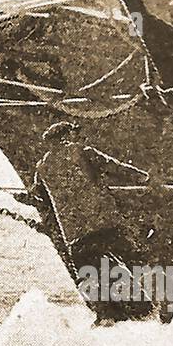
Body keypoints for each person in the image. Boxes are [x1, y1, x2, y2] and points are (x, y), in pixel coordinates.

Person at [29, 120, 155, 322]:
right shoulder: (82, 152)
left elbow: (39, 198)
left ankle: (108, 318)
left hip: (75, 237)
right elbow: (115, 168)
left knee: (92, 278)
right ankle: (148, 311)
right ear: (66, 136)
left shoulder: (42, 168)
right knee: (136, 262)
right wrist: (145, 178)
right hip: (105, 225)